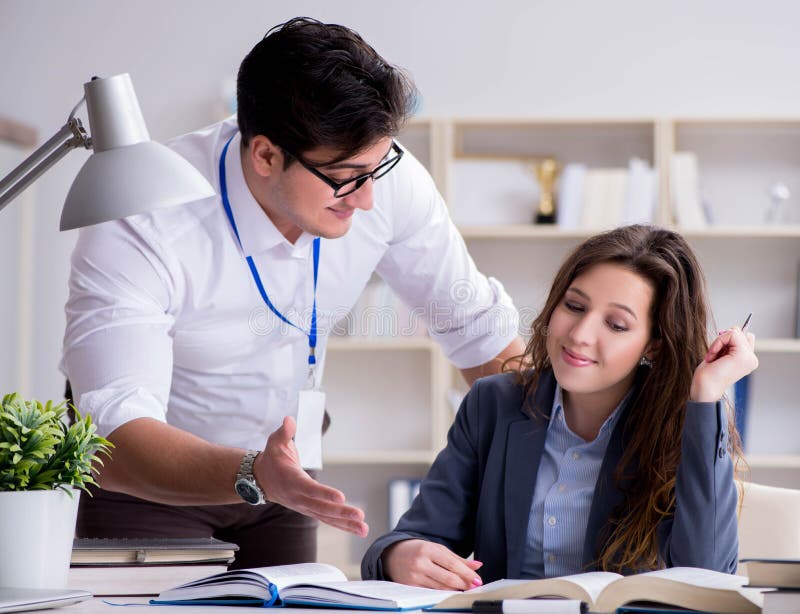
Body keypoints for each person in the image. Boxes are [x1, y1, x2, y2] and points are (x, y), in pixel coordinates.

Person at [62, 17, 524, 569]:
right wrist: (253, 472)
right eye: (345, 177)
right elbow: (113, 433)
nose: (368, 199)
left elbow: (482, 336)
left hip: (289, 473)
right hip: (152, 487)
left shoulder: (376, 177)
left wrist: (566, 438)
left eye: (379, 167)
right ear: (265, 155)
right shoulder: (145, 217)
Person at [362, 224, 758, 588]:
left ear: (654, 344)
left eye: (616, 325)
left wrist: (705, 398)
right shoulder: (493, 404)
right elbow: (416, 537)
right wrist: (398, 556)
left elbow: (707, 579)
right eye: (574, 306)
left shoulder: (680, 426)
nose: (581, 335)